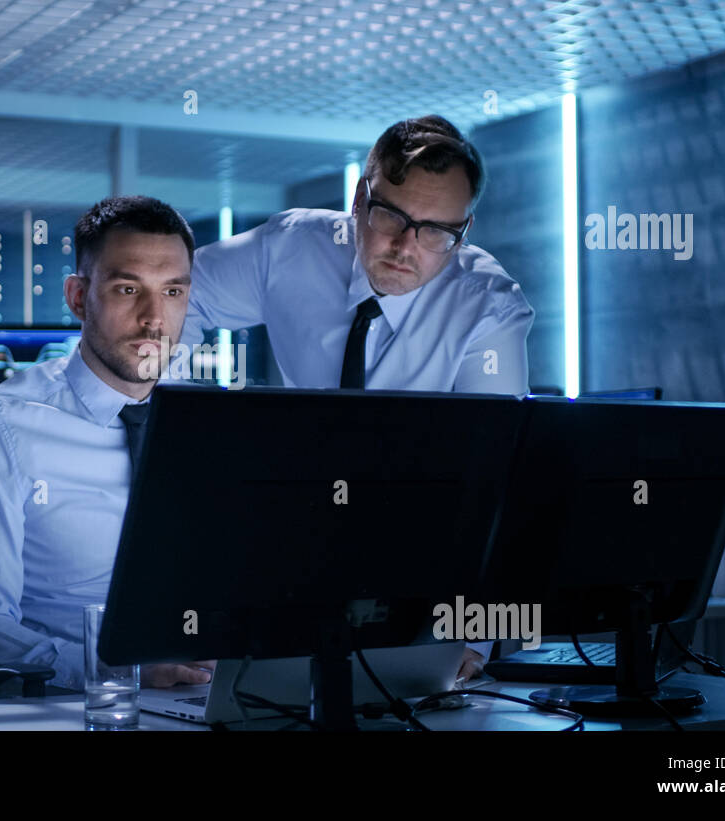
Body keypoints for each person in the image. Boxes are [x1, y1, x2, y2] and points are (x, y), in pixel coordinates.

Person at [179, 115, 535, 678]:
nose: (405, 247)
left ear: (464, 228)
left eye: (437, 231)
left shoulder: (486, 307)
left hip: (420, 545)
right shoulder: (292, 248)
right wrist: (177, 426)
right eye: (391, 217)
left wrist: (476, 634)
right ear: (359, 198)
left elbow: (495, 477)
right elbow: (176, 298)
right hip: (295, 523)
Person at [0, 196, 213, 692]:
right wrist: (110, 670)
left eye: (172, 291)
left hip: (206, 699)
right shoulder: (2, 425)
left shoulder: (215, 424)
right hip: (66, 706)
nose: (154, 318)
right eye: (129, 289)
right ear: (78, 297)